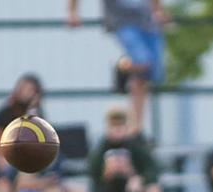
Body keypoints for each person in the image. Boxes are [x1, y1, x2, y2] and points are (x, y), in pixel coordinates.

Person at [67, 0, 168, 134]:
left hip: (147, 21)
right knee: (143, 63)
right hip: (123, 20)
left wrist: (157, 10)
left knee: (147, 76)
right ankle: (120, 68)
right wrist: (72, 12)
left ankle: (136, 127)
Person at [85, 105, 161, 192]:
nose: (117, 130)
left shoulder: (135, 145)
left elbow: (151, 168)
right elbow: (93, 170)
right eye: (113, 125)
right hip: (107, 188)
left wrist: (141, 180)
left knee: (153, 191)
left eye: (120, 125)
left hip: (132, 187)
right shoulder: (101, 148)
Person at [0, 73, 44, 173]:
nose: (26, 93)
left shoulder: (36, 113)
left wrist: (32, 109)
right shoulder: (5, 113)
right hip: (6, 160)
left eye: (31, 90)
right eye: (24, 89)